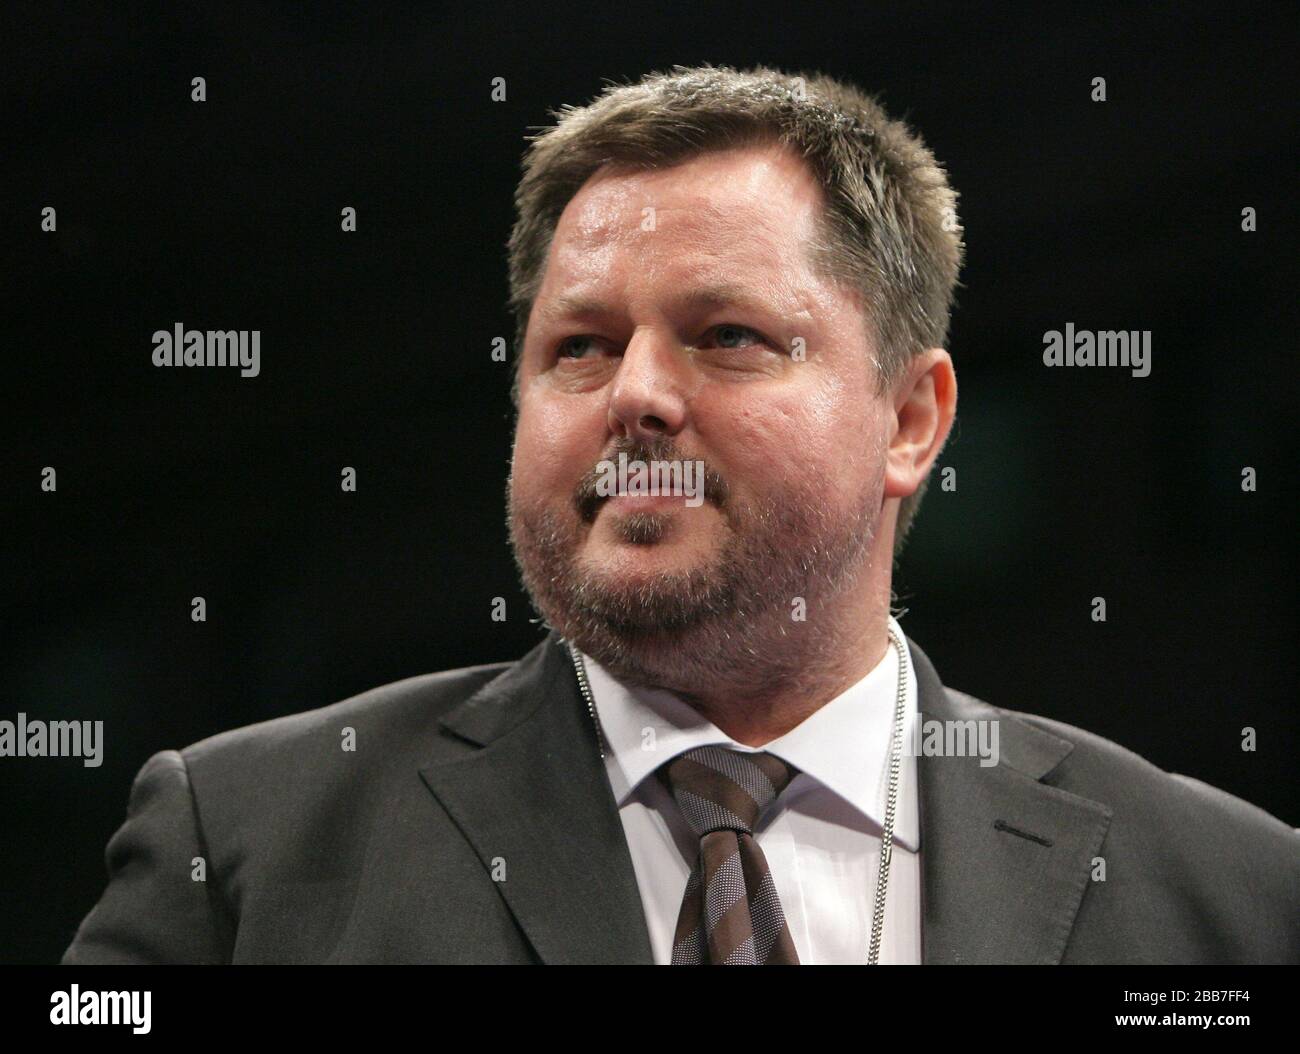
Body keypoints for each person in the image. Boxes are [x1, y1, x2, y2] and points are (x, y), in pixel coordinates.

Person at [62, 64, 1298, 965]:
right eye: (582, 347)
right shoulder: (240, 855)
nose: (637, 396)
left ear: (910, 421)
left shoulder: (1232, 899)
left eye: (727, 337)